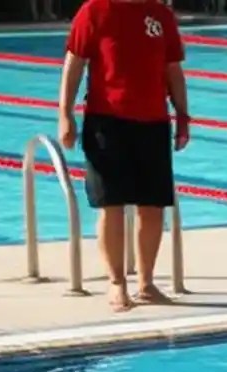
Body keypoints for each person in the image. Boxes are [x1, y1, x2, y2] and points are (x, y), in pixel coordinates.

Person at [58, 0, 190, 312]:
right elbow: (74, 62)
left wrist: (183, 115)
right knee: (111, 205)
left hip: (154, 121)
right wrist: (65, 113)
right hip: (107, 122)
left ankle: (146, 283)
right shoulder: (94, 11)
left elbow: (172, 69)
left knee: (153, 207)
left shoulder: (160, 15)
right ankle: (117, 282)